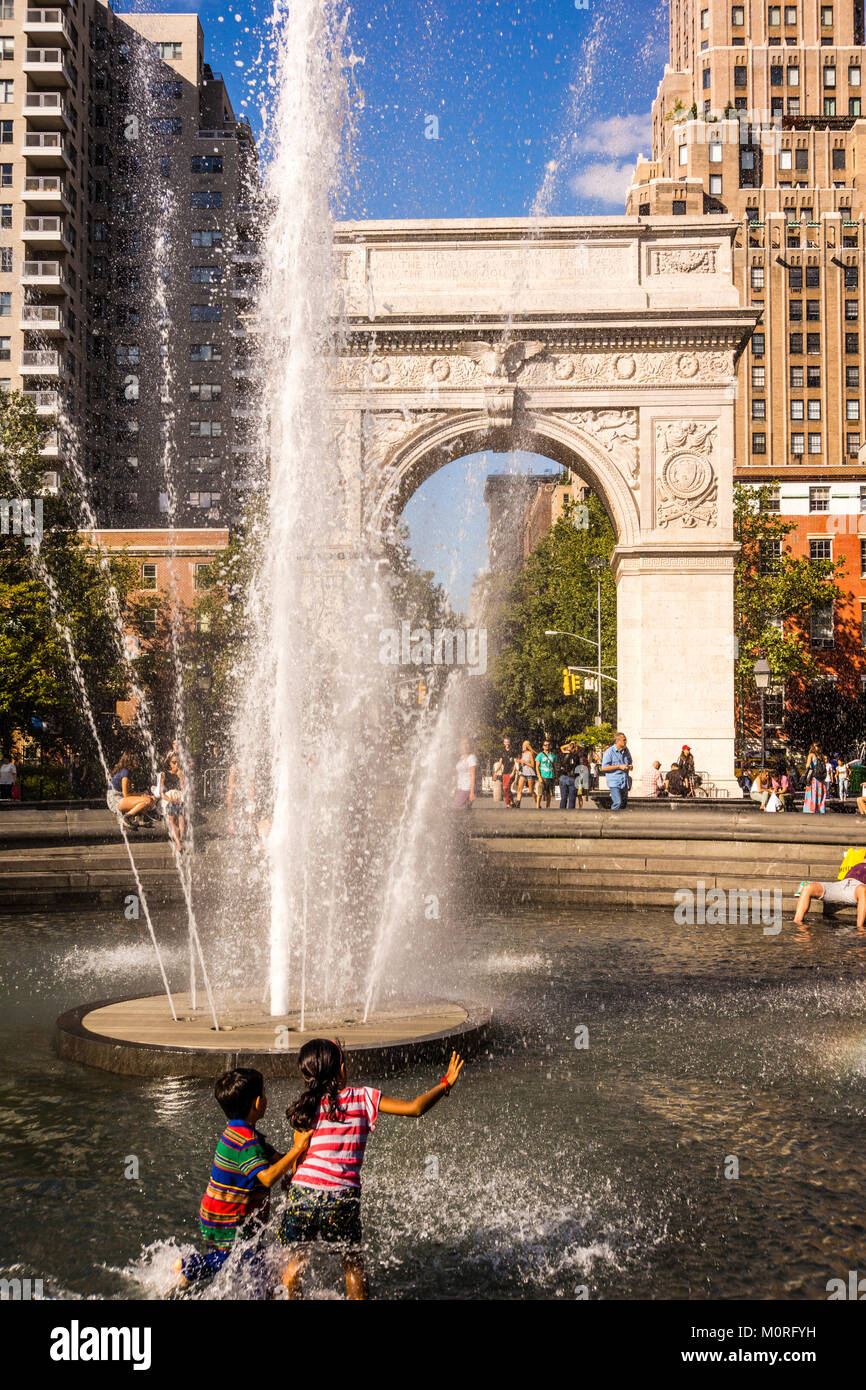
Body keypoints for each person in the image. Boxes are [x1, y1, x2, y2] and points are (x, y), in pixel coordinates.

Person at [278, 1039, 464, 1301]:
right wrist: (445, 1084)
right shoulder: (363, 1096)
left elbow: (302, 1156)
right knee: (352, 1265)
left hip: (303, 1191)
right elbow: (415, 1108)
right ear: (341, 1068)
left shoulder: (306, 1105)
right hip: (341, 1196)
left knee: (292, 1266)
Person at [172, 1067, 312, 1294]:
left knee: (230, 1260)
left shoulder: (242, 1135)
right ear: (257, 1103)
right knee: (246, 1268)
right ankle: (189, 1267)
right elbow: (267, 1178)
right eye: (265, 1094)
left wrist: (292, 1169)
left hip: (220, 1216)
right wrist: (297, 1149)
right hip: (229, 1220)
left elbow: (278, 1161)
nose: (267, 1099)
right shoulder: (246, 1143)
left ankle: (190, 1268)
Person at [794, 854, 866, 930]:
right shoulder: (861, 861)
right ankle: (797, 922)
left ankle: (860, 928)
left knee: (862, 889)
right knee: (808, 887)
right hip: (841, 885)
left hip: (856, 889)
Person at [106, 751, 155, 827]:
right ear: (130, 760)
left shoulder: (126, 771)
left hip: (120, 798)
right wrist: (140, 794)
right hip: (116, 800)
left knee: (152, 799)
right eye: (135, 759)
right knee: (148, 800)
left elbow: (128, 792)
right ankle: (126, 817)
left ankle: (138, 819)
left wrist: (140, 793)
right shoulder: (125, 772)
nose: (137, 761)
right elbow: (126, 795)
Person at [161, 749, 186, 852]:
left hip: (179, 796)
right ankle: (179, 844)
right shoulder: (164, 774)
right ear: (169, 763)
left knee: (181, 818)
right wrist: (170, 799)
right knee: (172, 819)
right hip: (168, 797)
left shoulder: (181, 774)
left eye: (178, 762)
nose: (176, 764)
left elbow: (184, 790)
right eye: (174, 762)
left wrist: (181, 778)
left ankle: (182, 840)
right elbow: (161, 792)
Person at [602, 732, 633, 812]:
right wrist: (619, 766)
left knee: (623, 804)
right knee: (617, 802)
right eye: (624, 740)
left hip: (624, 782)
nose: (626, 741)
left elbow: (630, 762)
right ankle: (611, 819)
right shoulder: (609, 752)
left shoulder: (626, 751)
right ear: (617, 741)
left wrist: (630, 766)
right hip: (614, 782)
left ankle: (620, 822)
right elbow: (604, 768)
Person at [802, 743, 827, 814]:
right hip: (821, 779)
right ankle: (820, 809)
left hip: (814, 778)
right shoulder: (821, 756)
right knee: (820, 794)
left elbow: (807, 766)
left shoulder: (811, 755)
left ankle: (811, 809)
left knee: (812, 793)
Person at [454, 738, 477, 809]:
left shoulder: (471, 758)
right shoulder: (461, 758)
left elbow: (473, 775)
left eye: (467, 743)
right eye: (463, 744)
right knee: (463, 809)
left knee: (458, 807)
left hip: (467, 788)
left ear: (470, 745)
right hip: (460, 787)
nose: (465, 746)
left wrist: (472, 792)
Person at [535, 738, 557, 808]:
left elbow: (555, 767)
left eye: (548, 745)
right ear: (543, 746)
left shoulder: (553, 756)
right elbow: (537, 767)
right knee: (540, 793)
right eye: (545, 745)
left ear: (550, 746)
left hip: (550, 776)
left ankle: (548, 807)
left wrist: (556, 777)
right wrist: (539, 777)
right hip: (542, 776)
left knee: (549, 794)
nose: (547, 746)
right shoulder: (540, 755)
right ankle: (538, 806)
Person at [558, 741, 580, 810]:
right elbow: (582, 748)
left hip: (563, 777)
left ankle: (562, 812)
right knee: (572, 798)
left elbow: (561, 747)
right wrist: (575, 744)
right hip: (572, 777)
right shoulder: (576, 755)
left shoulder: (563, 754)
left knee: (563, 797)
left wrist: (570, 744)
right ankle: (571, 813)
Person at [514, 741, 536, 806]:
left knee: (531, 790)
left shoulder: (530, 753)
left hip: (530, 773)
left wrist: (524, 761)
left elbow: (532, 765)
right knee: (519, 788)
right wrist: (518, 761)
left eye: (524, 745)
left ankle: (537, 803)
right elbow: (522, 762)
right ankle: (518, 803)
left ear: (527, 746)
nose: (523, 747)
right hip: (523, 773)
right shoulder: (523, 753)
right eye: (522, 745)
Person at [500, 736, 517, 808]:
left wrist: (513, 772)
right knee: (506, 788)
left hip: (511, 772)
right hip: (504, 772)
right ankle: (512, 801)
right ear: (504, 743)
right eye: (505, 742)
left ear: (510, 742)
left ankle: (507, 803)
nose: (507, 743)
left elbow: (516, 762)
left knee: (506, 788)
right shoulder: (502, 752)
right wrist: (495, 772)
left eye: (508, 742)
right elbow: (500, 762)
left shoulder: (513, 751)